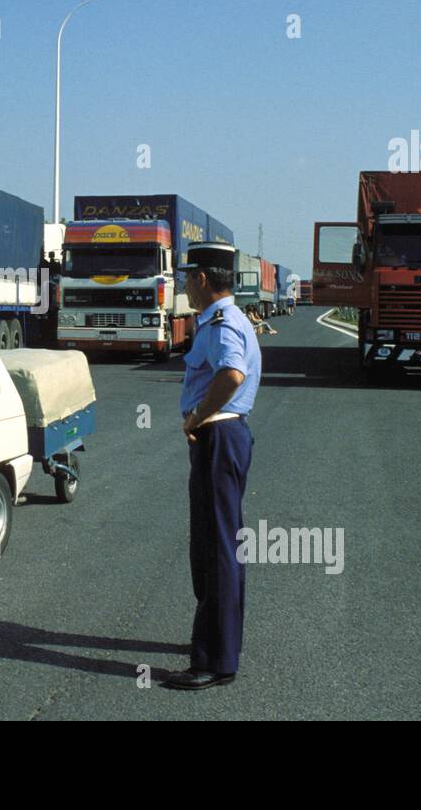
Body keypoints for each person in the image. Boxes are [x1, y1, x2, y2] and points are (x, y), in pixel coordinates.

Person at [166, 243, 261, 691]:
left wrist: (197, 415)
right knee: (220, 543)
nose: (184, 284)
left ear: (202, 279)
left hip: (218, 436)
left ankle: (214, 662)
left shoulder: (221, 322)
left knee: (215, 546)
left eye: (187, 277)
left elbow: (232, 374)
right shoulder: (229, 319)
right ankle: (223, 642)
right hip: (225, 436)